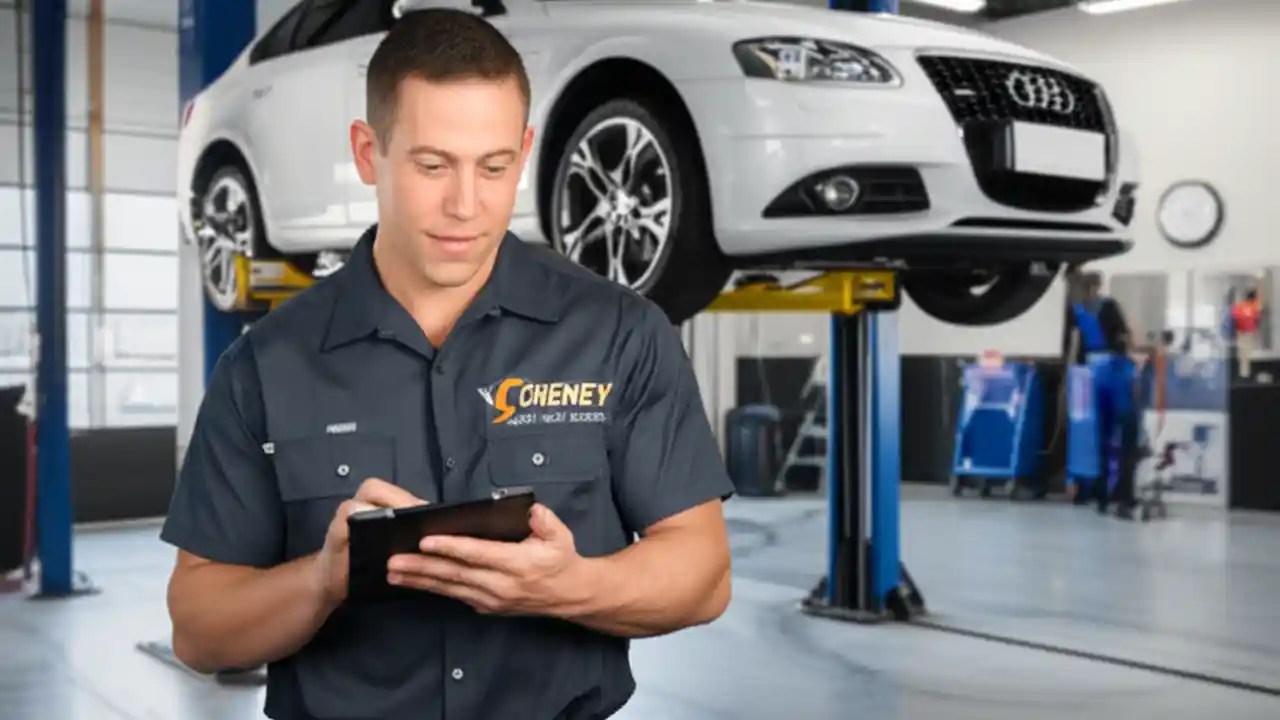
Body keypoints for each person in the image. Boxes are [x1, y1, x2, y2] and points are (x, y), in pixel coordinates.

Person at [161, 10, 734, 720]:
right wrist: (321, 580)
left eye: (494, 167)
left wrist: (568, 585)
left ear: (524, 153)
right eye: (432, 165)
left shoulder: (619, 335)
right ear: (369, 153)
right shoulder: (268, 364)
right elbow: (198, 627)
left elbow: (703, 573)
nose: (466, 205)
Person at [1063, 270, 1139, 519]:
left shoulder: (1076, 311)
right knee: (1126, 435)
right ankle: (1123, 496)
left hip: (1089, 376)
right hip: (1114, 372)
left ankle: (1101, 496)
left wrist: (1070, 378)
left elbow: (1074, 348)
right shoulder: (1108, 306)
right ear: (1098, 285)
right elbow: (1125, 338)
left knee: (1100, 438)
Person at [1230, 284, 1264, 379]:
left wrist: (1235, 330)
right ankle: (1246, 374)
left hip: (1241, 331)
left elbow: (1234, 318)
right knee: (1248, 353)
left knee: (1242, 352)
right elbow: (1257, 319)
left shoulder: (1239, 306)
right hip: (1250, 331)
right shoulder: (1255, 305)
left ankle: (1242, 373)